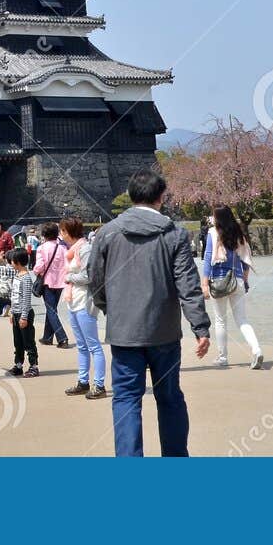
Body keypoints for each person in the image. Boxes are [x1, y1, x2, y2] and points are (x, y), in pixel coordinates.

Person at [88, 171, 211, 457]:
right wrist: (200, 327)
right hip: (164, 331)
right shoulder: (174, 234)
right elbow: (187, 283)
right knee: (169, 397)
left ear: (131, 196)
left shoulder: (107, 233)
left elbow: (95, 279)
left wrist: (110, 308)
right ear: (161, 197)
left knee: (127, 399)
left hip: (124, 332)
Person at [201, 205, 263, 370]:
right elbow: (246, 259)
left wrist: (205, 283)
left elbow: (208, 259)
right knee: (242, 320)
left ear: (218, 218)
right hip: (237, 280)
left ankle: (223, 357)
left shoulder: (213, 234)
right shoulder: (239, 234)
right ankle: (256, 349)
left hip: (219, 280)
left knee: (220, 320)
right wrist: (245, 279)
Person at [59, 216, 104, 399]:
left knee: (93, 345)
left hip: (84, 301)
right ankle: (83, 381)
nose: (60, 234)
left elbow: (88, 276)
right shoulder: (71, 250)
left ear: (68, 232)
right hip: (73, 300)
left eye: (62, 230)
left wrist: (69, 277)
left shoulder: (85, 249)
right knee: (81, 346)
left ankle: (99, 384)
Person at [33, 223, 71, 349]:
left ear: (44, 235)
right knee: (52, 309)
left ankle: (62, 337)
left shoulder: (42, 248)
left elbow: (39, 267)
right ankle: (47, 337)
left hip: (48, 282)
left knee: (51, 310)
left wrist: (36, 272)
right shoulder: (63, 248)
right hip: (60, 281)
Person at [6, 247, 40, 378]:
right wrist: (11, 312)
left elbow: (26, 299)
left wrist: (24, 317)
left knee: (28, 341)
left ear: (17, 262)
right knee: (18, 341)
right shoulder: (17, 276)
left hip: (24, 314)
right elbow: (14, 297)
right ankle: (18, 365)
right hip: (16, 313)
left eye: (12, 261)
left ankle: (33, 366)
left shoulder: (26, 278)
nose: (11, 264)